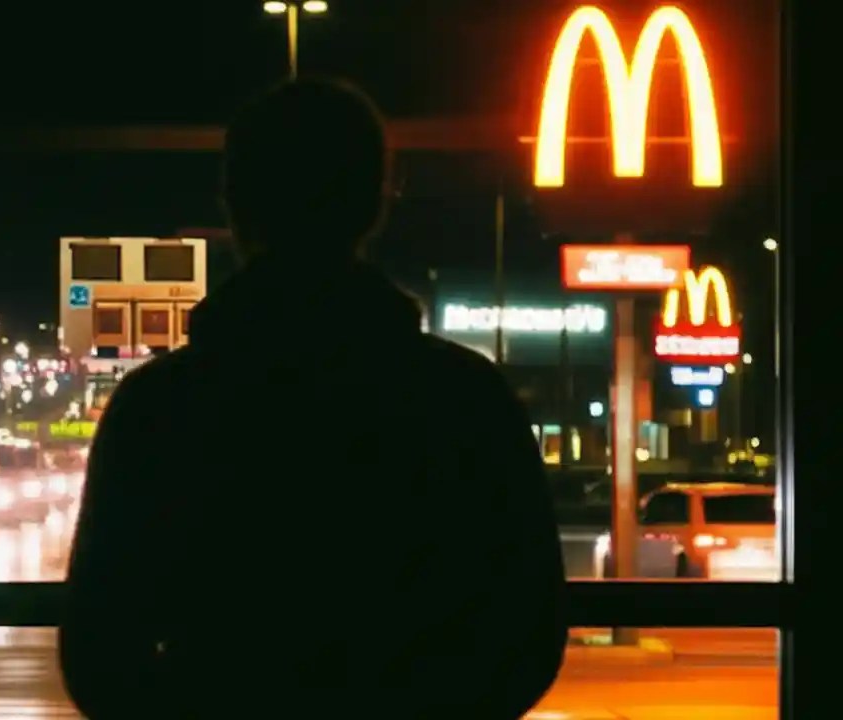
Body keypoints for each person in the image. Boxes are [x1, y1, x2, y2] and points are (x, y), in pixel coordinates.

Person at [60, 78, 568, 719]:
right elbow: (529, 625)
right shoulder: (464, 398)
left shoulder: (160, 407)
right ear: (377, 202)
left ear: (235, 203)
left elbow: (99, 647)